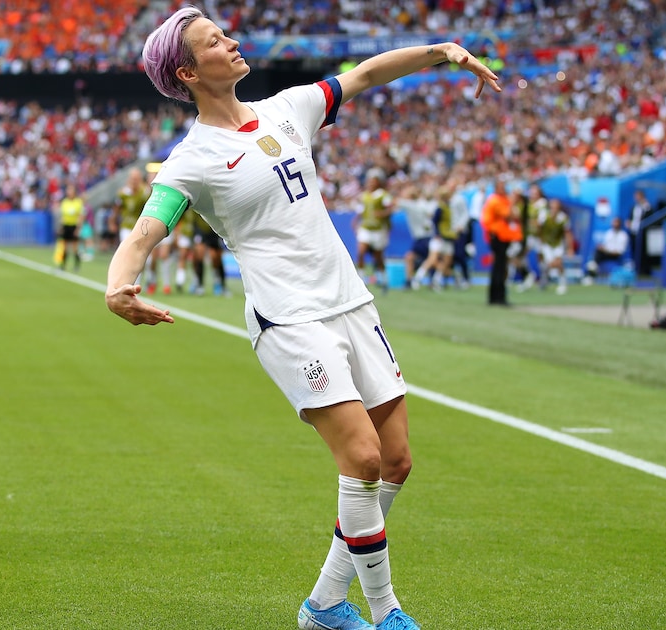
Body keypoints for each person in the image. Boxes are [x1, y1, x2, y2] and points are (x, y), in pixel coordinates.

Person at [106, 7, 500, 629]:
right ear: (188, 73)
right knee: (362, 459)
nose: (232, 42)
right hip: (288, 319)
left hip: (351, 302)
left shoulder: (289, 108)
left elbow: (364, 75)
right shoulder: (192, 159)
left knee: (395, 461)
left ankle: (322, 606)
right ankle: (387, 613)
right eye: (215, 42)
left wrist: (442, 51)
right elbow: (145, 232)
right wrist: (117, 287)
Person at [480, 179, 522, 306]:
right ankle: (498, 297)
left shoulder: (502, 200)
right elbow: (509, 215)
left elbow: (516, 214)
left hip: (502, 237)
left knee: (500, 267)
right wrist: (513, 201)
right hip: (498, 237)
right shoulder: (496, 200)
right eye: (502, 187)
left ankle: (496, 297)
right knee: (499, 267)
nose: (505, 189)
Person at [353, 168, 394, 293]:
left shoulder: (382, 195)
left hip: (378, 229)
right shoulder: (364, 196)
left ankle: (384, 280)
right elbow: (361, 210)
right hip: (366, 228)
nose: (370, 183)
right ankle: (361, 280)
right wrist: (355, 221)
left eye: (373, 181)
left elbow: (390, 208)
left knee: (378, 257)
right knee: (361, 252)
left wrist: (382, 213)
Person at [584, 217, 629, 283]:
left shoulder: (623, 235)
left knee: (598, 255)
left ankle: (592, 269)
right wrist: (602, 248)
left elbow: (620, 251)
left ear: (620, 224)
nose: (614, 224)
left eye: (616, 222)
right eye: (614, 222)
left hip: (616, 255)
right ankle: (591, 271)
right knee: (597, 252)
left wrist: (609, 251)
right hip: (606, 253)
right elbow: (605, 245)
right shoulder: (609, 233)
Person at [55, 184, 85, 272]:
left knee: (75, 248)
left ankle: (77, 266)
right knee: (64, 248)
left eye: (71, 190)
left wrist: (78, 228)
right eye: (68, 190)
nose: (69, 192)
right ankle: (63, 265)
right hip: (66, 226)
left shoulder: (78, 202)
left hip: (74, 226)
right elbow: (63, 216)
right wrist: (61, 227)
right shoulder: (64, 202)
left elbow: (81, 216)